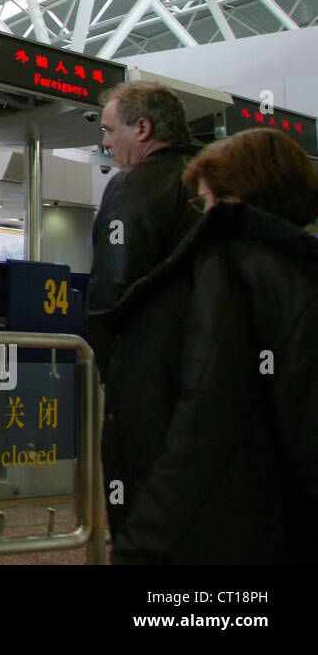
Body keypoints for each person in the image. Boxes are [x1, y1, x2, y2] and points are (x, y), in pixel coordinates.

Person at [97, 128, 318, 563]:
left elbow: (202, 420)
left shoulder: (224, 275)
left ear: (228, 198)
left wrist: (145, 544)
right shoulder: (299, 274)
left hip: (215, 532)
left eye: (205, 201)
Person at [85, 82, 201, 377]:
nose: (106, 143)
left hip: (148, 359)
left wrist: (106, 357)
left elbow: (116, 276)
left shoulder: (132, 185)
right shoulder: (208, 179)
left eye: (110, 130)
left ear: (142, 128)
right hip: (203, 353)